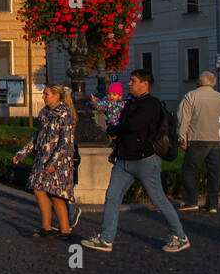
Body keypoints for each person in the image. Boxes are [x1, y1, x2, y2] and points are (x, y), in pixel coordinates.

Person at [81, 69, 190, 253]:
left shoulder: (151, 104)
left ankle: (180, 236)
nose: (129, 84)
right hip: (124, 160)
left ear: (144, 84)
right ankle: (106, 238)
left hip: (145, 160)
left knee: (158, 199)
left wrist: (114, 131)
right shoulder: (131, 102)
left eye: (133, 81)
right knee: (112, 197)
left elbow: (133, 126)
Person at [12, 84, 78, 238]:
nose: (43, 97)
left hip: (58, 160)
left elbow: (66, 142)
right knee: (39, 189)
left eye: (46, 94)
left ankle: (65, 230)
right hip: (42, 157)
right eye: (44, 94)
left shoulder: (65, 115)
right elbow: (37, 136)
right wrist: (23, 153)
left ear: (56, 96)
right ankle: (47, 228)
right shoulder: (45, 113)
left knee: (56, 194)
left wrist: (54, 163)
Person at [177, 72, 220, 213]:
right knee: (214, 172)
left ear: (199, 82)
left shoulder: (191, 96)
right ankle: (212, 204)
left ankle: (191, 201)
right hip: (216, 140)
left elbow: (184, 119)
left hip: (198, 139)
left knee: (188, 170)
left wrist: (181, 138)